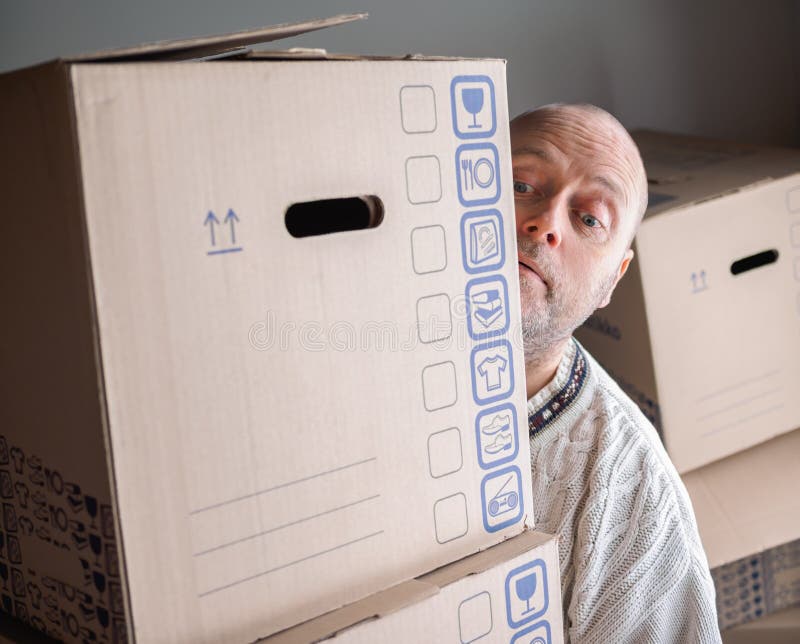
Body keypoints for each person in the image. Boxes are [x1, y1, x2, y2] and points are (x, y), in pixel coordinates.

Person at [511, 104, 721, 642]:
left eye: (588, 219)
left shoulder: (636, 505)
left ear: (612, 280)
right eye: (520, 185)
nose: (545, 223)